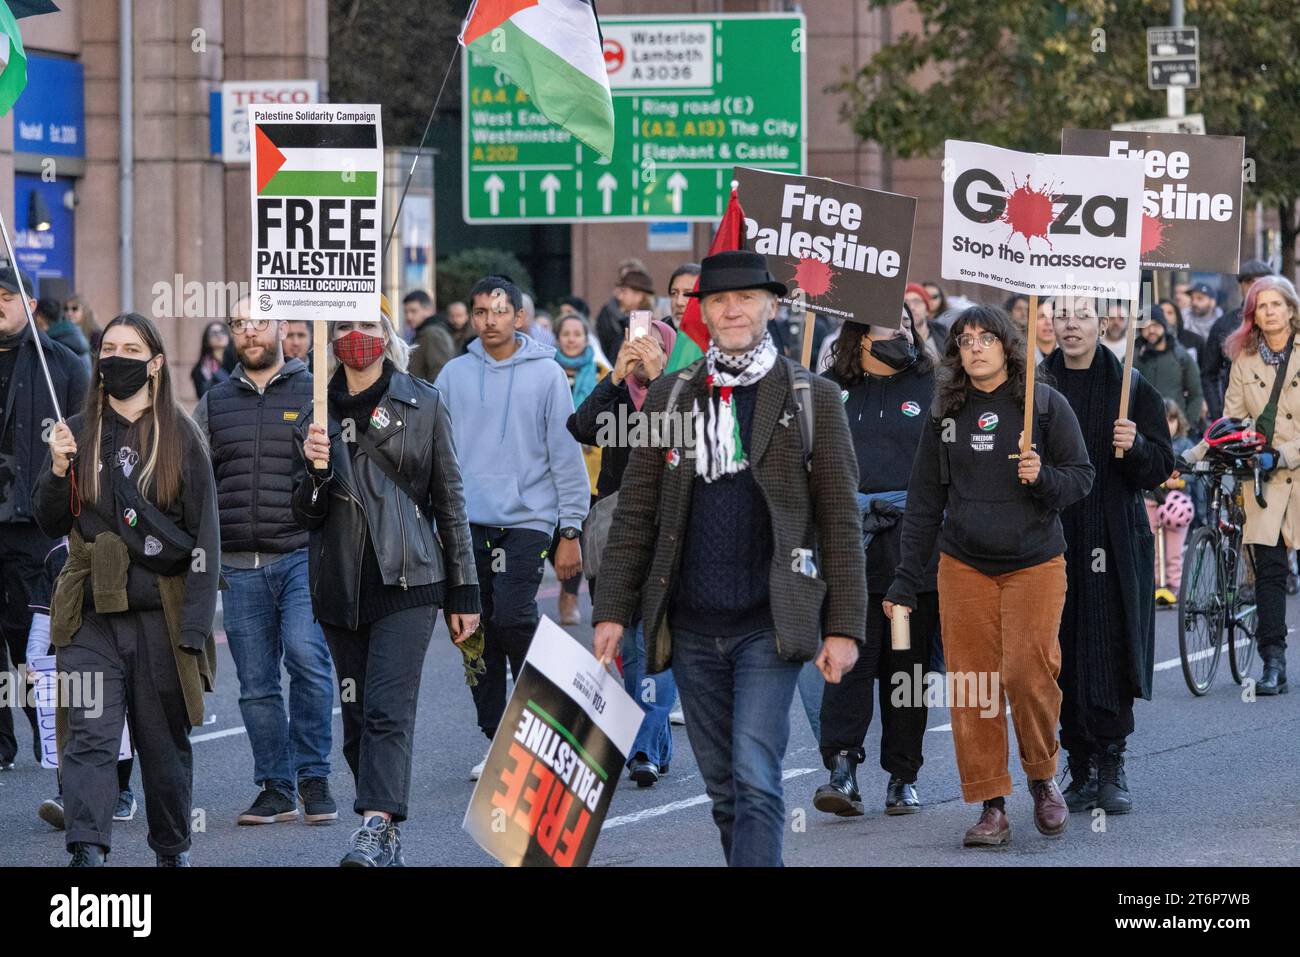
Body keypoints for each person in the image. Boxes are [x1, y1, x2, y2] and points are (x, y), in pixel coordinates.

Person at [592, 250, 866, 866]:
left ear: (771, 306)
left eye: (746, 297)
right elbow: (634, 513)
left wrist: (845, 626)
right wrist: (610, 611)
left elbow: (841, 523)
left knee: (755, 773)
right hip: (689, 625)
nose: (733, 308)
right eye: (719, 300)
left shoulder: (812, 397)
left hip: (770, 622)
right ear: (703, 315)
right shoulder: (669, 396)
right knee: (723, 787)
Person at [885, 304, 1093, 848]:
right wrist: (906, 580)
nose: (975, 347)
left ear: (1007, 346)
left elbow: (1082, 478)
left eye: (986, 338)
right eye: (965, 339)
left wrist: (1042, 475)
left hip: (1035, 562)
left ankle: (1044, 777)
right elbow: (924, 502)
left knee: (1028, 673)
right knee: (973, 684)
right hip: (964, 564)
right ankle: (990, 803)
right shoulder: (943, 412)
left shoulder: (1043, 406)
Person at [294, 298, 480, 866]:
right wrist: (316, 471)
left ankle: (375, 825)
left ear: (387, 334)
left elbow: (449, 500)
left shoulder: (422, 402)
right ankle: (386, 829)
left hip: (411, 580)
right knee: (354, 720)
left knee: (385, 708)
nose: (357, 335)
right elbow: (303, 513)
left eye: (368, 325)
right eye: (345, 325)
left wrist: (465, 589)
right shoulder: (312, 413)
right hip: (340, 588)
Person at [35, 311, 220, 867]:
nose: (116, 358)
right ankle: (87, 851)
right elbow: (48, 519)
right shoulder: (75, 430)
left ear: (155, 363)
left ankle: (171, 850)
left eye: (130, 349)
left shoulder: (183, 437)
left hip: (160, 614)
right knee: (90, 736)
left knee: (162, 744)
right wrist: (56, 467)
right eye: (108, 347)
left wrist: (193, 628)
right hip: (90, 613)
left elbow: (204, 536)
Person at [434, 275, 589, 779]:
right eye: (480, 312)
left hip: (529, 520)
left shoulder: (547, 375)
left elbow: (566, 456)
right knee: (473, 632)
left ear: (519, 316)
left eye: (500, 311)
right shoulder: (454, 375)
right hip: (465, 523)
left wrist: (570, 529)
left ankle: (543, 717)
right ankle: (500, 737)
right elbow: (436, 454)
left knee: (515, 617)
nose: (489, 321)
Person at [191, 298, 337, 827]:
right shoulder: (213, 402)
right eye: (240, 323)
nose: (250, 332)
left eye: (260, 321)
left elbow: (337, 473)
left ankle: (314, 777)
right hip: (238, 563)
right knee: (255, 684)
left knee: (307, 660)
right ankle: (276, 786)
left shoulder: (315, 391)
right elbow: (193, 480)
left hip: (301, 553)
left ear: (282, 328)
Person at [1043, 299, 1174, 816]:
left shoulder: (1132, 387)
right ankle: (1076, 764)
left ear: (1105, 322)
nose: (1070, 323)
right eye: (1061, 314)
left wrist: (1137, 444)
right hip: (1052, 538)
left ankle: (1111, 763)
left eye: (1082, 314)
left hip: (1114, 539)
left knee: (1110, 646)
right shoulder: (1035, 386)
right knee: (1060, 649)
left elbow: (1161, 466)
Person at [814, 308, 939, 818]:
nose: (903, 331)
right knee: (847, 664)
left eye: (908, 323)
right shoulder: (826, 389)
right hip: (847, 549)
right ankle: (841, 769)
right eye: (892, 322)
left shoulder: (933, 386)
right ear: (860, 333)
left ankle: (902, 776)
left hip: (911, 556)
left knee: (905, 669)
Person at [567, 318, 679, 786]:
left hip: (668, 526)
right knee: (631, 647)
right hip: (618, 526)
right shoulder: (617, 394)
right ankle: (651, 746)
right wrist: (616, 376)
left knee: (658, 641)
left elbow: (687, 439)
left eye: (652, 346)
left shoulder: (680, 392)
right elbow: (581, 426)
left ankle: (641, 749)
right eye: (635, 345)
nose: (641, 352)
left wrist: (657, 378)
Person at [0, 265, 88, 771]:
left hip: (36, 526)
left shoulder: (65, 365)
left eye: (7, 297)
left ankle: (48, 741)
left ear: (30, 305)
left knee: (31, 642)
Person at [1220, 276, 1300, 696]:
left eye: (1275, 304)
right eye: (1260, 306)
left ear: (1291, 309)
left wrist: (1284, 453)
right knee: (1269, 573)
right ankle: (1274, 663)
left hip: (1295, 470)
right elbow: (1232, 417)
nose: (1268, 311)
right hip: (1263, 478)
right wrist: (1201, 453)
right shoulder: (1244, 359)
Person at [28, 539, 138, 827]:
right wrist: (35, 656)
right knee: (66, 724)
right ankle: (68, 796)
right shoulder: (57, 554)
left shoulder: (121, 543)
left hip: (114, 649)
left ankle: (121, 790)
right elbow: (43, 612)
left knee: (118, 726)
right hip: (68, 655)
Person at [551, 313, 610, 625]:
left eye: (577, 334)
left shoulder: (604, 374)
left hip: (591, 469)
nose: (572, 339)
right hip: (551, 468)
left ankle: (569, 595)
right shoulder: (547, 372)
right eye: (566, 334)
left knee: (580, 536)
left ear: (587, 339)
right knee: (553, 538)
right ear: (558, 338)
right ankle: (564, 587)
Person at [1202, 260, 1273, 423]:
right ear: (1240, 285)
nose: (1255, 286)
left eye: (1261, 281)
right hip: (1237, 416)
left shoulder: (1284, 322)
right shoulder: (1224, 325)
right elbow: (1209, 374)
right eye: (1249, 281)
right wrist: (1218, 414)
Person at [1146, 400, 1194, 602]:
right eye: (1164, 420)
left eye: (1172, 419)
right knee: (1153, 549)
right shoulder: (1150, 443)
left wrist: (1179, 482)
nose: (1169, 424)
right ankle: (1156, 584)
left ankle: (1174, 586)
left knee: (1174, 551)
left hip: (1177, 505)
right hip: (1150, 500)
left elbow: (1193, 473)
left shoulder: (1185, 445)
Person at [1135, 304, 1205, 423]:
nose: (1151, 330)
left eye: (1155, 325)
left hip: (1175, 430)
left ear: (1163, 326)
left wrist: (1187, 425)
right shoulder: (1133, 357)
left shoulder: (1180, 356)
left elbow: (1196, 394)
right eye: (1146, 327)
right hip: (1142, 429)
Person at [596, 266, 655, 362]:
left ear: (638, 296)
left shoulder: (649, 325)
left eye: (624, 292)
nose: (620, 297)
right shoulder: (622, 321)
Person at [402, 289, 457, 384]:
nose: (408, 316)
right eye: (406, 312)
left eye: (413, 311)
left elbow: (439, 373)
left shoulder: (433, 333)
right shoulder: (425, 331)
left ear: (428, 310)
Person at [36, 298, 90, 370]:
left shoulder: (53, 341)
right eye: (66, 309)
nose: (69, 313)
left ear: (39, 317)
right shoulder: (71, 333)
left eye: (74, 308)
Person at [191, 320, 232, 399]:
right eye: (214, 333)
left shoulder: (239, 361)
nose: (219, 336)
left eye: (222, 331)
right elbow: (202, 397)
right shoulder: (200, 369)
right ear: (207, 339)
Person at [906, 283, 946, 360]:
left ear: (927, 310)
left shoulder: (943, 332)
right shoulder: (895, 339)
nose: (911, 307)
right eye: (906, 303)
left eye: (916, 302)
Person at [667, 263, 701, 330]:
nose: (679, 302)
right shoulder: (658, 333)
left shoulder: (719, 335)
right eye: (674, 293)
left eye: (688, 294)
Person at [1033, 297, 1057, 366]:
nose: (1048, 322)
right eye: (1042, 316)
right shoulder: (1020, 355)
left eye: (1052, 316)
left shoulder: (1070, 355)